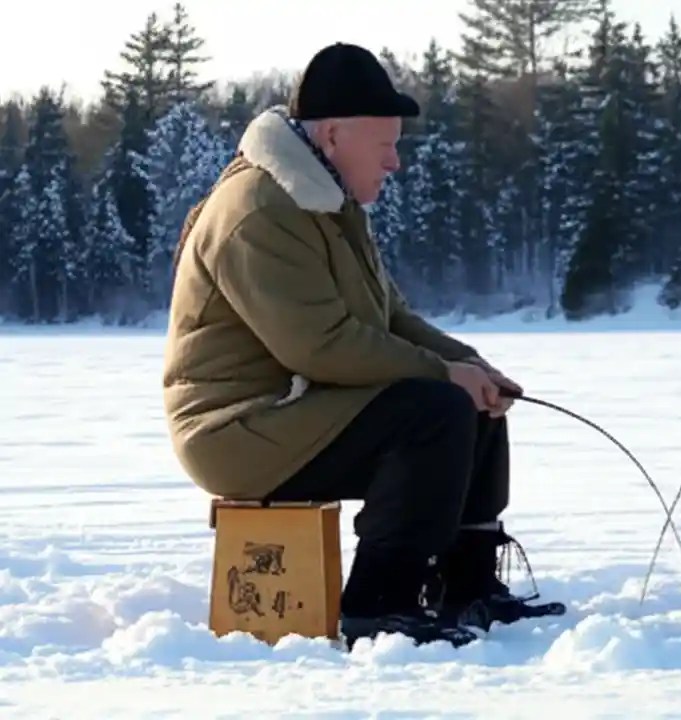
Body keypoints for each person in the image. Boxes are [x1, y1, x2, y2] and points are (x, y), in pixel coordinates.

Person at [162, 42, 562, 649]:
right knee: (432, 411)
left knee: (469, 402)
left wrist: (470, 366)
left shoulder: (326, 203)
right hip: (236, 431)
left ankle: (467, 584)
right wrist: (443, 375)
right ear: (332, 136)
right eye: (385, 146)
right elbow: (319, 346)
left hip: (296, 411)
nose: (395, 162)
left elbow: (390, 318)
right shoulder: (260, 210)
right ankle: (380, 602)